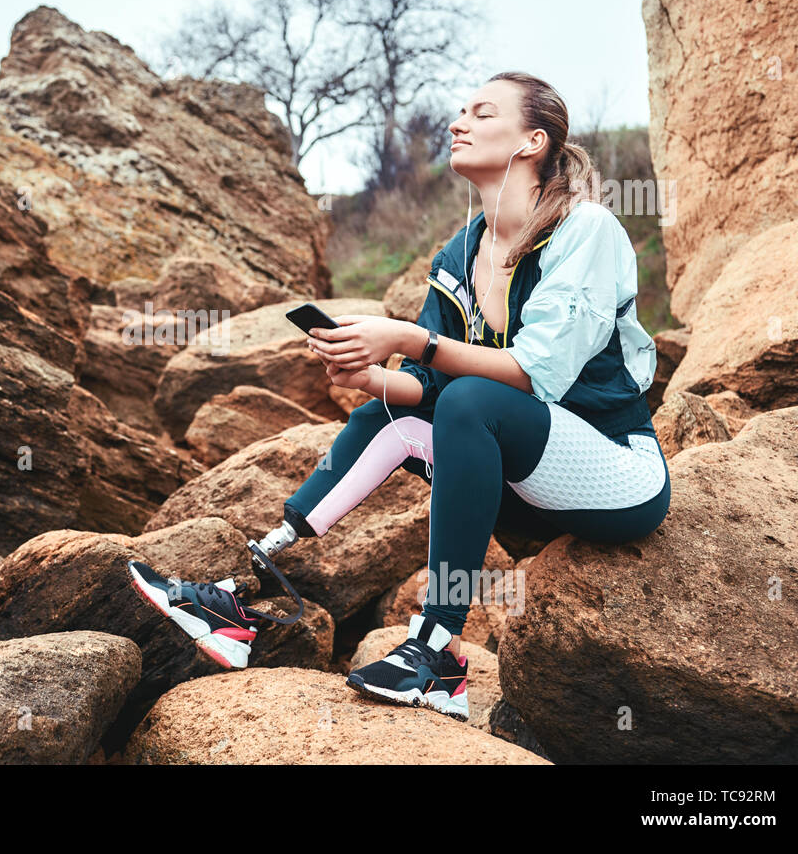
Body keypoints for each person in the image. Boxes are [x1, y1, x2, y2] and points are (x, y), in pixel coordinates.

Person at [128, 71, 670, 721]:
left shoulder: (587, 230)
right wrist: (368, 374)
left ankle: (438, 653)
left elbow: (535, 376)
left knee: (472, 401)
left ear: (533, 139)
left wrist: (409, 338)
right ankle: (236, 592)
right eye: (459, 110)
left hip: (615, 474)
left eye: (481, 111)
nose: (457, 122)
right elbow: (429, 386)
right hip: (523, 486)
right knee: (393, 410)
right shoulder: (460, 252)